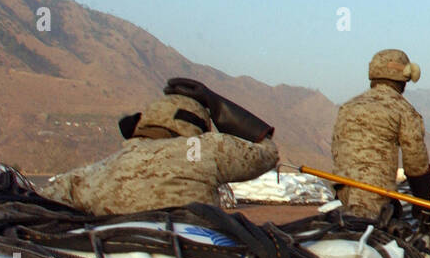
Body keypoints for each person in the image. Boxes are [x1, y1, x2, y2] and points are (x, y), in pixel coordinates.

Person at [41, 81, 278, 215]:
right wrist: (218, 105)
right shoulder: (207, 149)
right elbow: (268, 154)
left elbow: (42, 199)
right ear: (198, 125)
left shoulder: (98, 172)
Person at [331, 49, 430, 221]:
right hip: (375, 196)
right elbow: (415, 163)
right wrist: (422, 205)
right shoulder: (403, 110)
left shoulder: (348, 106)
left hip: (342, 193)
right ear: (404, 78)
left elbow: (337, 150)